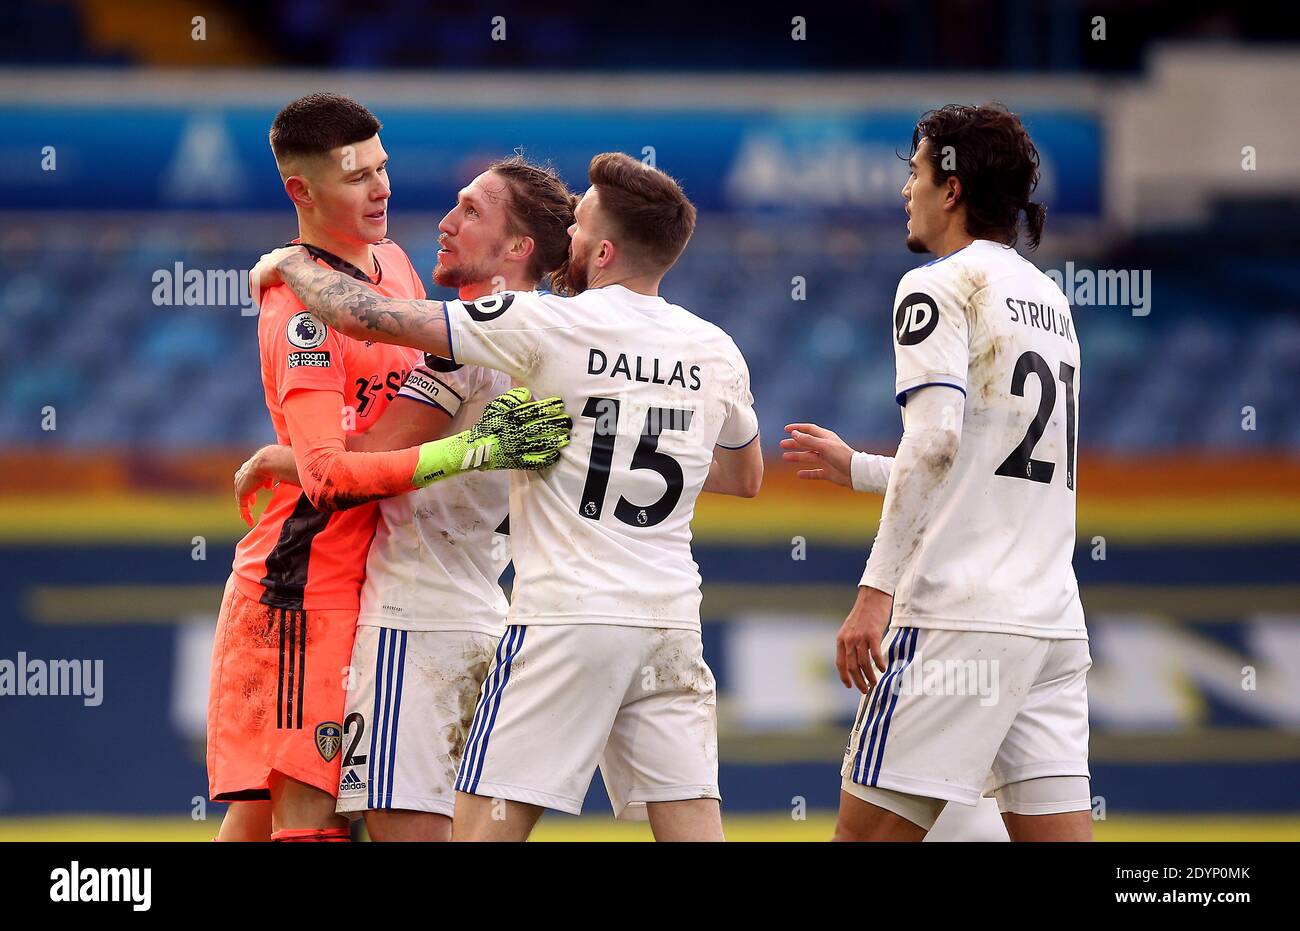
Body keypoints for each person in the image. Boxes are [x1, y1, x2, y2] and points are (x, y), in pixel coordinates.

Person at [248, 152, 764, 841]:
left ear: (602, 250)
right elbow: (742, 477)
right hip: (659, 616)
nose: (567, 246)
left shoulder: (534, 328)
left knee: (472, 828)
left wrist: (290, 265)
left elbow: (368, 323)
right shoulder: (714, 348)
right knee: (692, 823)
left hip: (469, 616)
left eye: (578, 229)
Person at [208, 94, 568, 842]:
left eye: (384, 168)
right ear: (300, 192)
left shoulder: (397, 268)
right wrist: (478, 450)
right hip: (306, 583)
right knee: (308, 820)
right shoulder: (298, 308)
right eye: (357, 176)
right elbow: (334, 478)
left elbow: (361, 439)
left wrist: (289, 454)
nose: (383, 190)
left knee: (265, 813)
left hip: (370, 578)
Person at [783, 103, 1091, 842]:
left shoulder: (937, 284)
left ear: (951, 188)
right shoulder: (1050, 299)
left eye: (915, 172)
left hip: (957, 615)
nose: (906, 190)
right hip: (1050, 624)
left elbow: (935, 443)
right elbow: (992, 469)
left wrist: (873, 594)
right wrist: (859, 467)